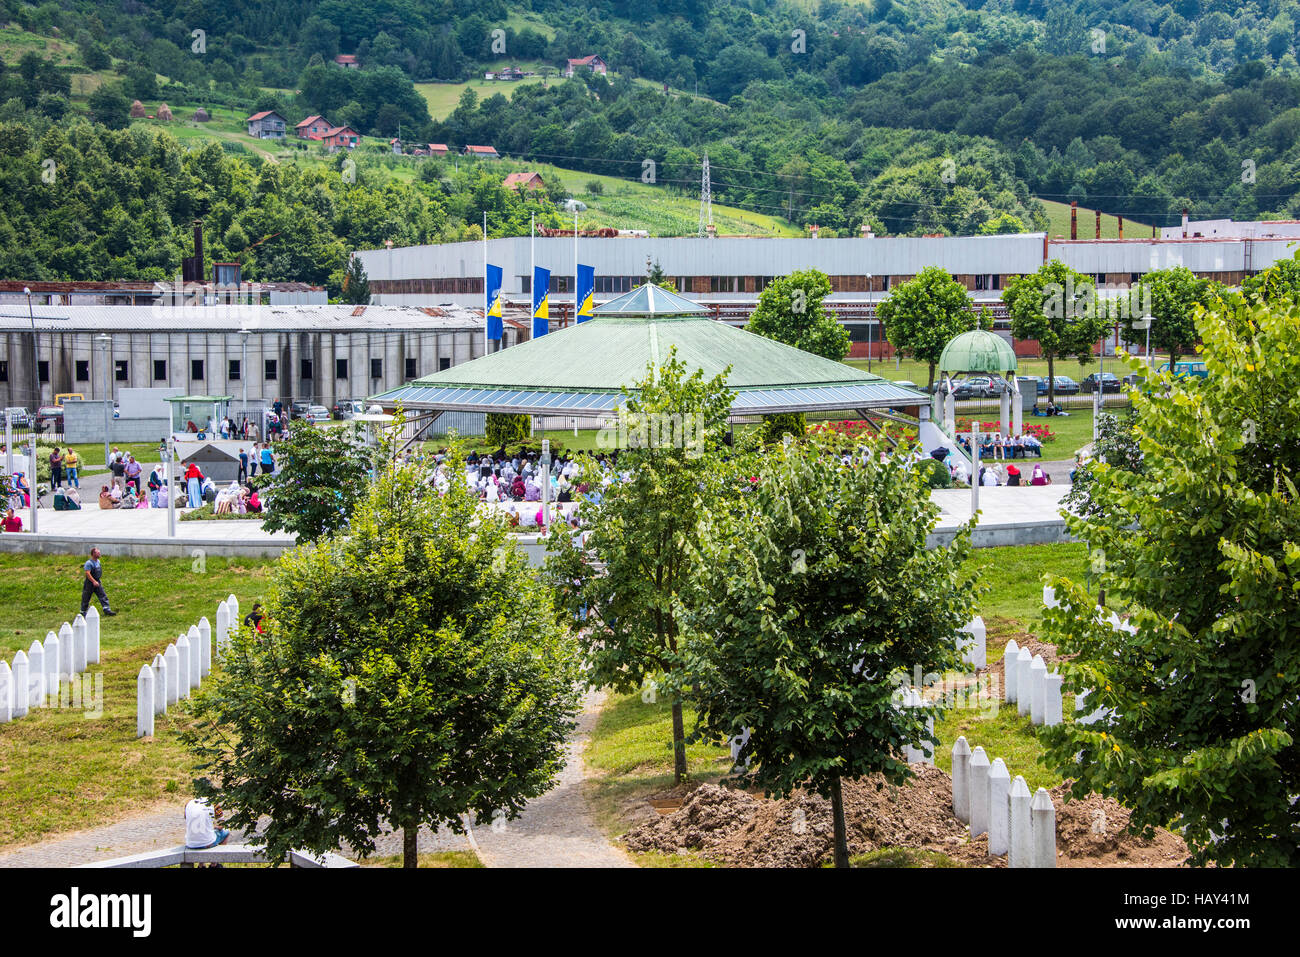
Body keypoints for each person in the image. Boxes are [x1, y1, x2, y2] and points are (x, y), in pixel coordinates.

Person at [81, 547, 115, 616]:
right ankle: (83, 612)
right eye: (98, 553)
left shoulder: (98, 561)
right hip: (90, 583)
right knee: (86, 597)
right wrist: (93, 581)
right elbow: (87, 573)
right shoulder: (89, 563)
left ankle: (106, 609)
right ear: (93, 554)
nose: (99, 554)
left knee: (103, 595)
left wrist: (98, 581)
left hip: (97, 582)